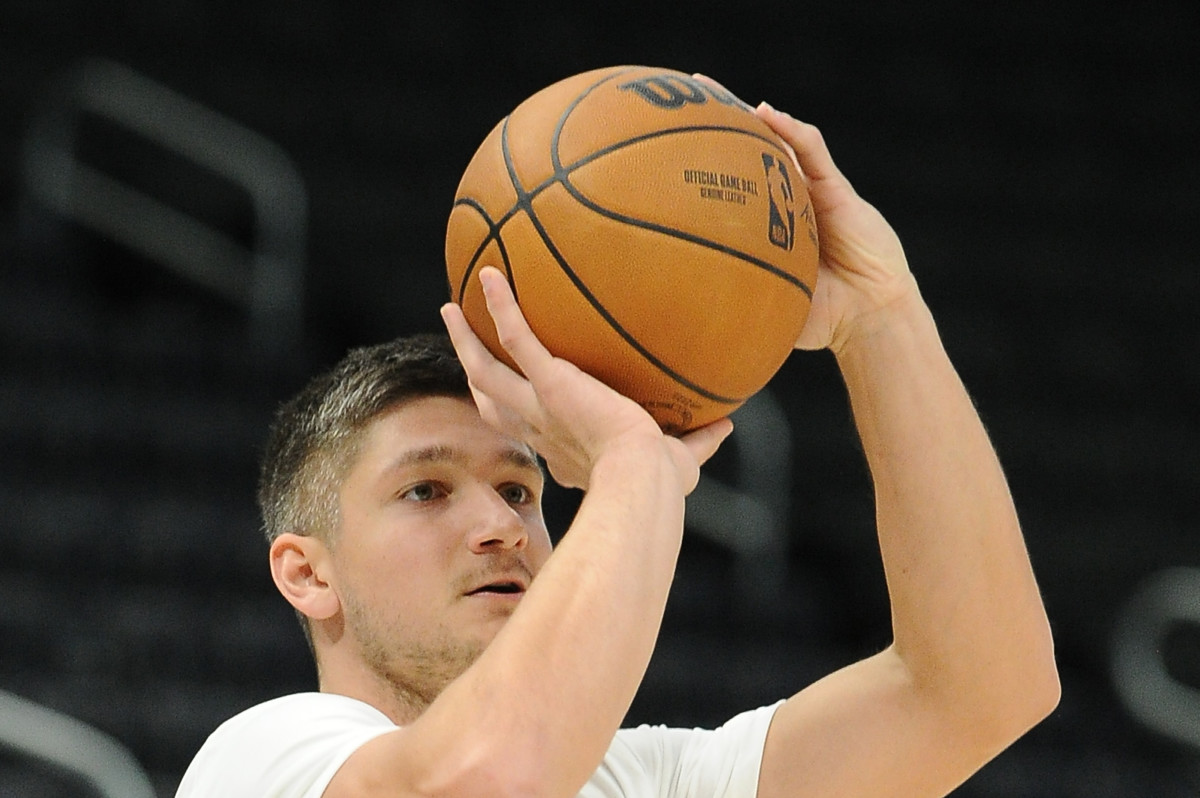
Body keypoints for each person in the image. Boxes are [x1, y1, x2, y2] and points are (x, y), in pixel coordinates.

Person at [176, 97, 1060, 798]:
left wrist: (883, 319)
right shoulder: (268, 759)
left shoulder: (644, 781)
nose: (501, 526)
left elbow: (982, 690)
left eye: (521, 491)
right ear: (306, 573)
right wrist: (634, 468)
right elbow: (487, 781)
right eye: (426, 491)